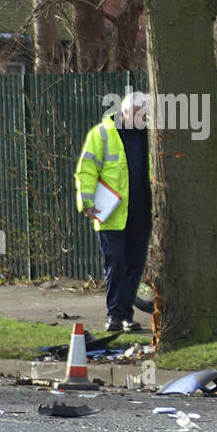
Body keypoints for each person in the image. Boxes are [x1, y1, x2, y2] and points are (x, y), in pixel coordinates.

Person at [74, 91, 153, 332]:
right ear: (126, 112)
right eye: (140, 115)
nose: (144, 119)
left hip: (141, 212)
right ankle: (115, 314)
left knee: (134, 264)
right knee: (116, 262)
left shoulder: (148, 136)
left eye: (146, 115)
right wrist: (86, 203)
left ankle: (125, 314)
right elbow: (86, 169)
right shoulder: (102, 133)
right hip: (110, 212)